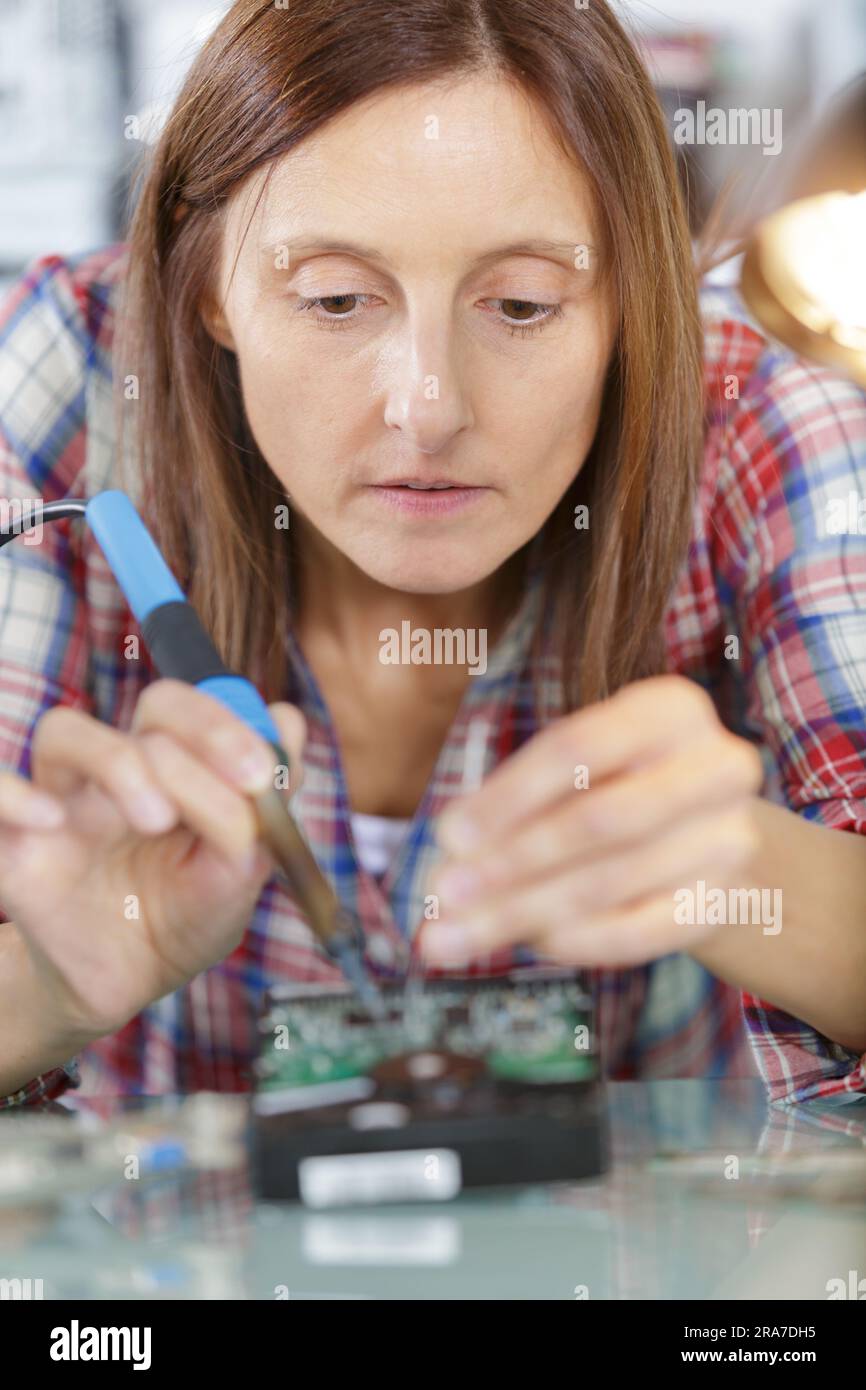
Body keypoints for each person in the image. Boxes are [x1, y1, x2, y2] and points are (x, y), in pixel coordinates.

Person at [0, 0, 863, 1108]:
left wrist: (747, 872)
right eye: (335, 298)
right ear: (207, 280)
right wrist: (57, 987)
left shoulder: (752, 418)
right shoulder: (73, 375)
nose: (427, 406)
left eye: (519, 302)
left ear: (628, 300)